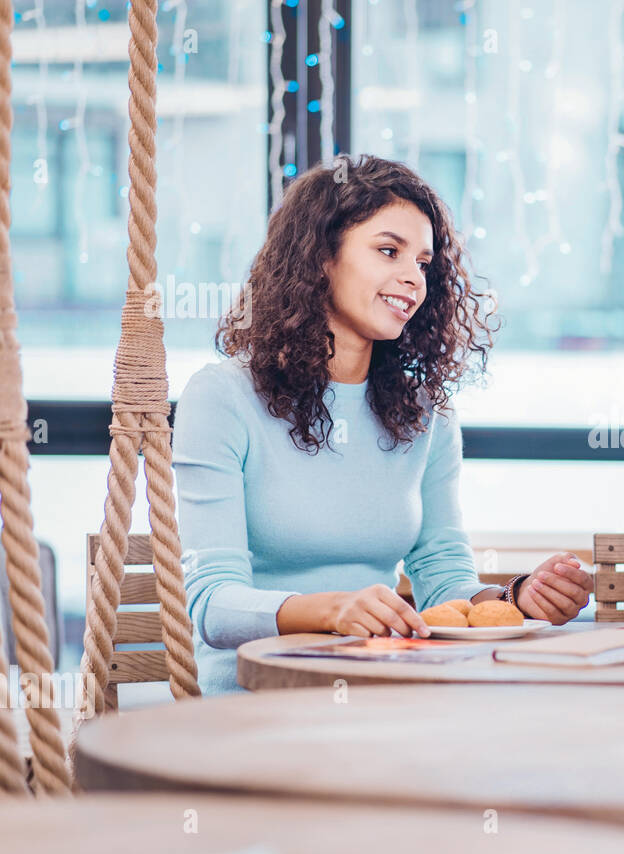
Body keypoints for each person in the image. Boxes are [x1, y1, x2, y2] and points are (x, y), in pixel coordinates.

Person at [173, 155, 592, 694]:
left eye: (422, 262)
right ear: (320, 256)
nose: (412, 279)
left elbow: (444, 581)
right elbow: (215, 605)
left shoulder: (426, 414)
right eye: (388, 251)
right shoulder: (223, 397)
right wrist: (333, 609)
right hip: (258, 699)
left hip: (383, 689)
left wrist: (515, 600)